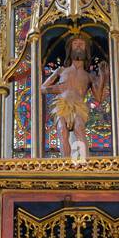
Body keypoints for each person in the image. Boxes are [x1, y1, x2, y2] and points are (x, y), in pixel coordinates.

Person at [41, 32, 109, 162]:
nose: (78, 46)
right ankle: (66, 163)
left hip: (79, 105)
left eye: (82, 44)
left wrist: (103, 76)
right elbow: (42, 88)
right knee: (62, 130)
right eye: (75, 44)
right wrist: (58, 88)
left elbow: (98, 97)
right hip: (62, 103)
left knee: (79, 127)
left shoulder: (89, 75)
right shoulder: (61, 71)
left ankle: (84, 162)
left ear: (86, 50)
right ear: (70, 49)